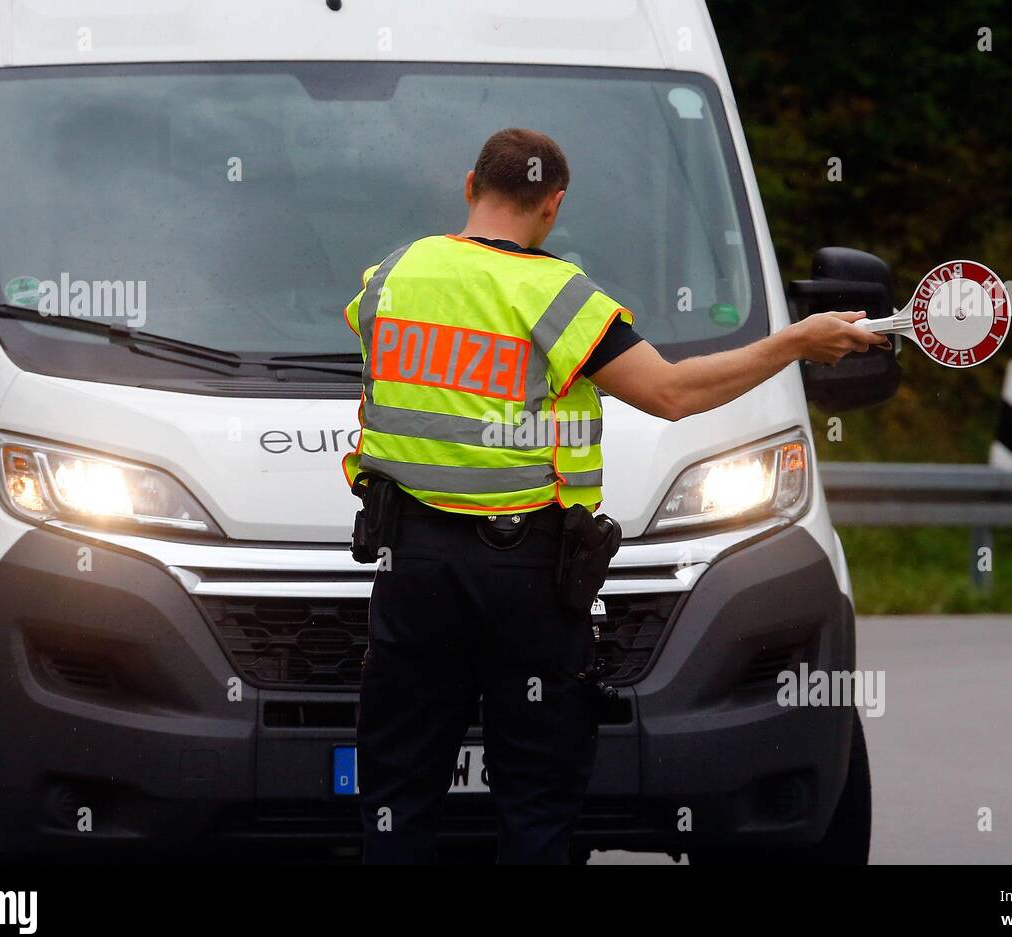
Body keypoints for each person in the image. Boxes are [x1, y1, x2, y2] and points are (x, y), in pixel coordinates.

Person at [343, 128, 883, 864]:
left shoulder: (392, 277)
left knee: (397, 795)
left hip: (410, 568)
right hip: (521, 578)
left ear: (471, 186)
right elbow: (668, 393)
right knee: (535, 795)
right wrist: (793, 343)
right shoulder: (554, 293)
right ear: (553, 205)